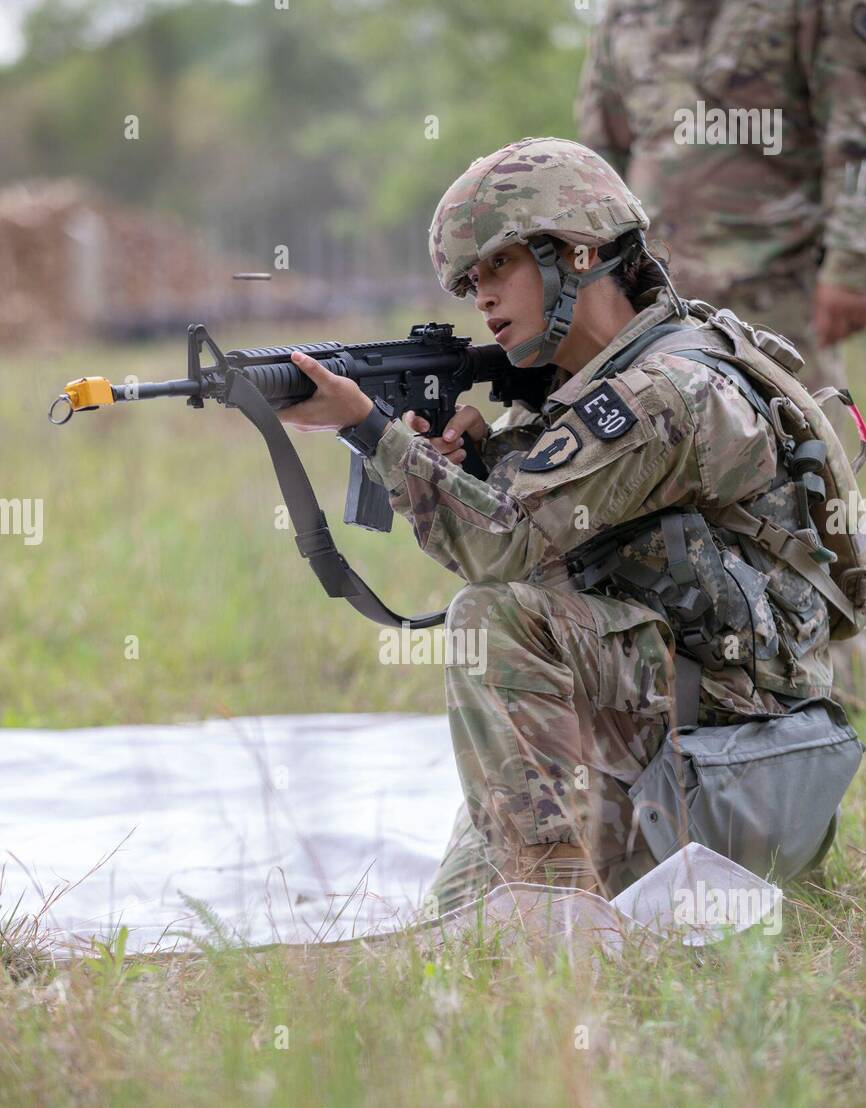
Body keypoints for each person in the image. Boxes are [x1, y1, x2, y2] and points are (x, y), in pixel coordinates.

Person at [276, 137, 864, 917]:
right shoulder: (631, 367)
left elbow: (499, 548)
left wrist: (368, 430)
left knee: (495, 621)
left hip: (730, 766)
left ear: (580, 254)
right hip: (705, 735)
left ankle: (558, 923)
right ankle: (538, 899)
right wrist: (478, 460)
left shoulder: (660, 393)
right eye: (470, 281)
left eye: (499, 267)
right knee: (457, 925)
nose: (481, 299)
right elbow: (571, 531)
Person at [575, 0, 866, 396]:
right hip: (654, 292)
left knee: (795, 439)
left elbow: (853, 135)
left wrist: (851, 266)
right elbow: (601, 149)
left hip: (778, 291)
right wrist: (596, 267)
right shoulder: (625, 10)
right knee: (664, 441)